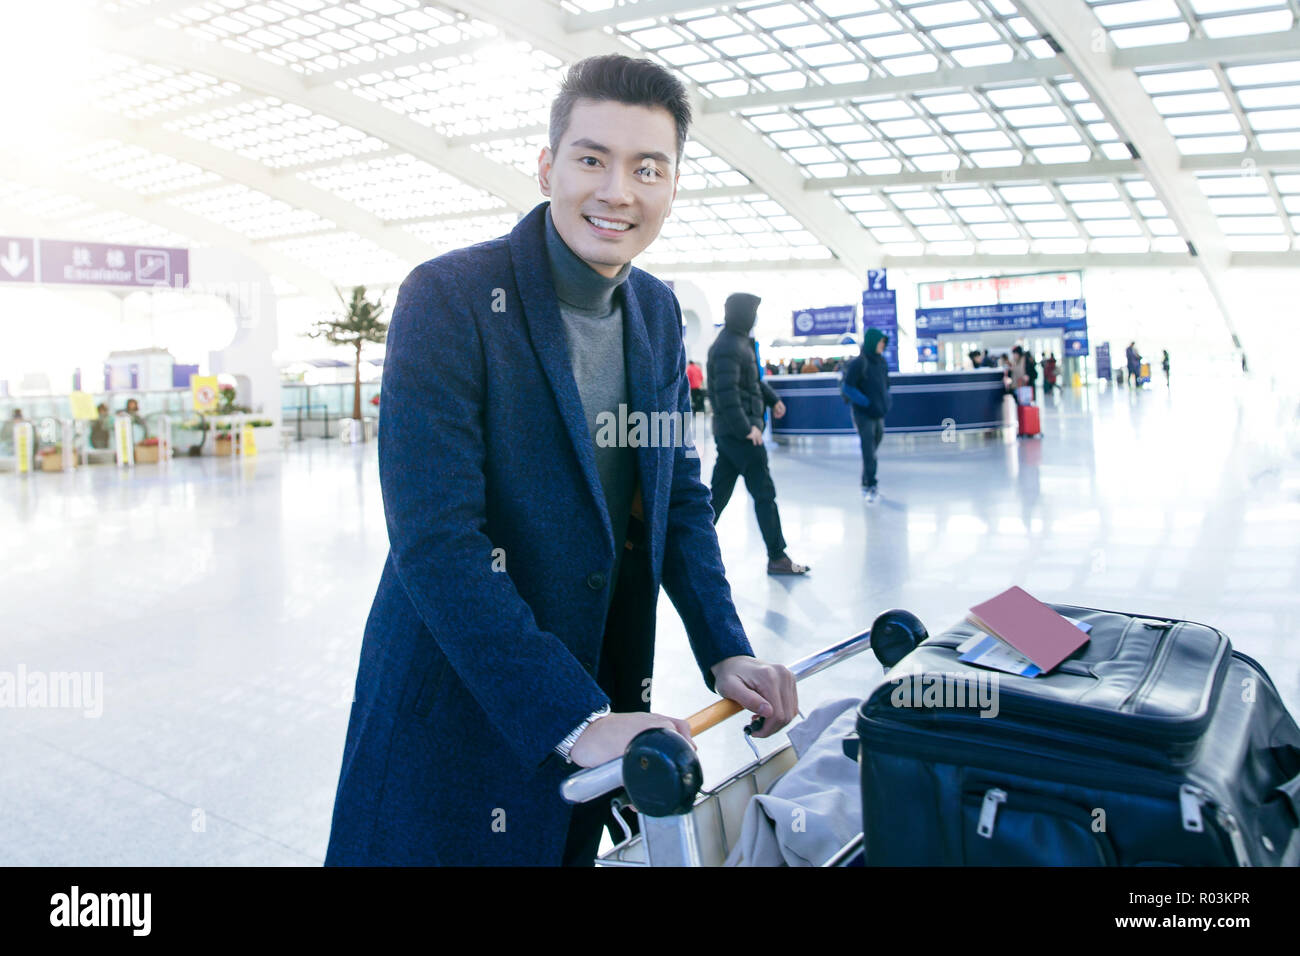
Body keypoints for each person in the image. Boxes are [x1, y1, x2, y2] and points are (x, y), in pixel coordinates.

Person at [324, 54, 797, 868]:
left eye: (648, 167)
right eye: (591, 159)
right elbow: (437, 542)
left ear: (673, 187)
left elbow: (676, 497)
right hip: (460, 716)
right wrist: (573, 720)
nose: (618, 191)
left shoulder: (651, 310)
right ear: (547, 168)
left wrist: (725, 646)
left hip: (598, 710)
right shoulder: (450, 298)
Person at [706, 292, 809, 576]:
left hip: (732, 435)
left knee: (718, 497)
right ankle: (777, 556)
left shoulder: (738, 343)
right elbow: (726, 395)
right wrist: (747, 428)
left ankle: (686, 546)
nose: (756, 318)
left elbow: (751, 383)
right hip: (741, 436)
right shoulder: (728, 346)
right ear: (742, 314)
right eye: (752, 311)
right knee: (764, 494)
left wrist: (773, 398)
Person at [840, 328, 892, 503]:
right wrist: (865, 402)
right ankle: (870, 484)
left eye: (884, 343)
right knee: (868, 449)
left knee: (875, 444)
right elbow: (848, 387)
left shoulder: (881, 362)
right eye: (880, 342)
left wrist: (885, 401)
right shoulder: (859, 363)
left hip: (878, 412)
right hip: (863, 414)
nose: (882, 346)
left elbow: (885, 385)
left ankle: (866, 479)